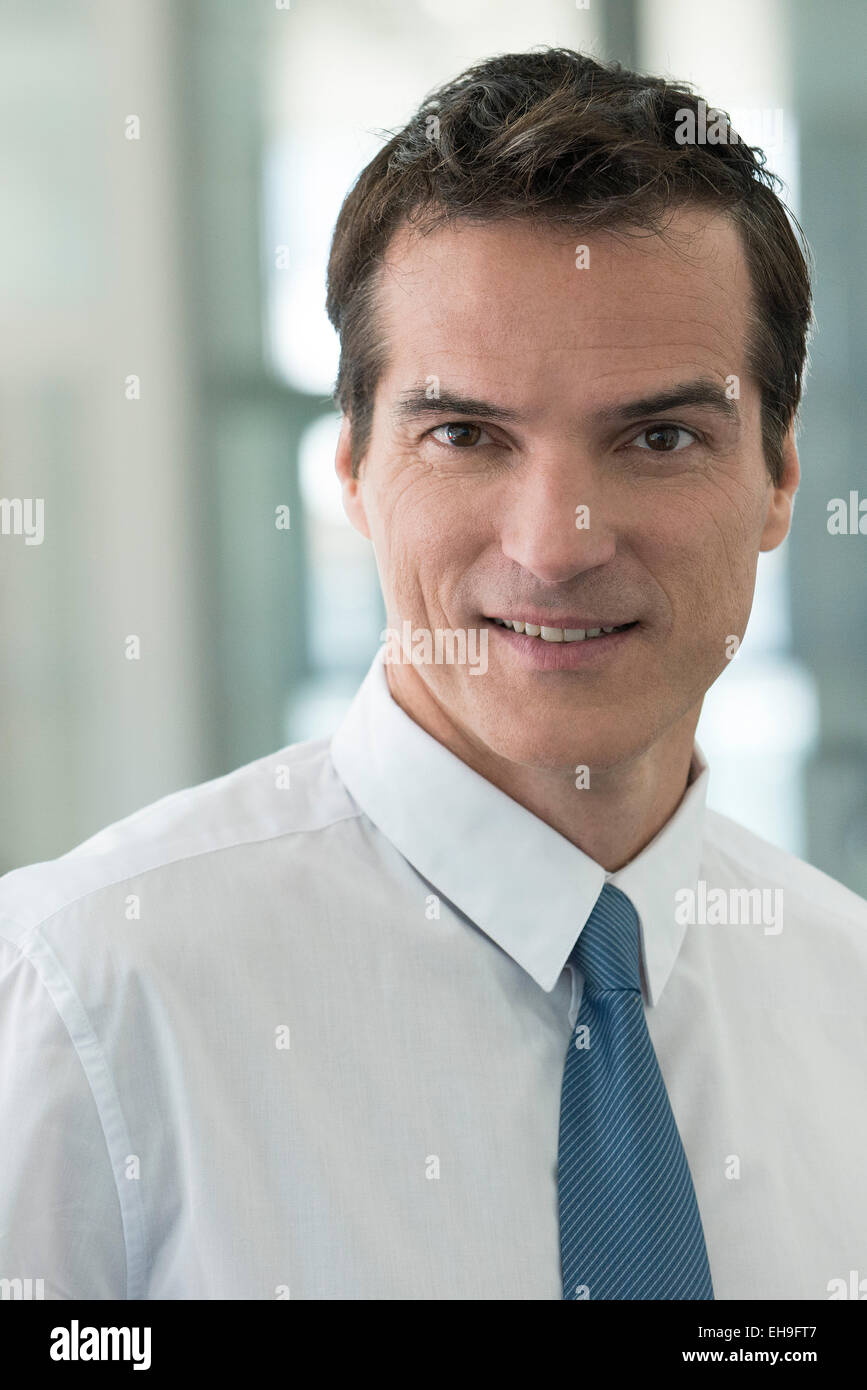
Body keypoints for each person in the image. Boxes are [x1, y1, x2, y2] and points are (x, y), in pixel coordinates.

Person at [1, 47, 864, 1302]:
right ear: (350, 467)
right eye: (466, 434)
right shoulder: (83, 998)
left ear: (780, 476)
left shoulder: (848, 1000)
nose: (556, 541)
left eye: (660, 435)